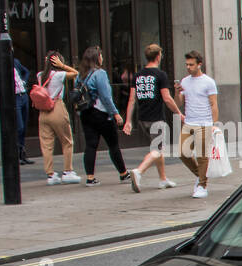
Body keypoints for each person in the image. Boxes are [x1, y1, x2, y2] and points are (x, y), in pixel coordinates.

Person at [122, 43, 182, 190]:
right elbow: (167, 98)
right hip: (156, 119)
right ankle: (139, 171)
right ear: (158, 56)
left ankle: (163, 179)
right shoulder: (160, 75)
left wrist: (128, 121)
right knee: (158, 150)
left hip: (142, 119)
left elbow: (131, 99)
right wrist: (178, 113)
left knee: (157, 148)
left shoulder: (138, 75)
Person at [73, 46, 129, 187]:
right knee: (113, 144)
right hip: (101, 114)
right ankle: (123, 173)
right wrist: (115, 113)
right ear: (97, 58)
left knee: (91, 145)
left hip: (86, 113)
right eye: (101, 55)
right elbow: (105, 97)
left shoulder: (80, 75)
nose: (102, 58)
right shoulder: (100, 73)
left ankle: (90, 177)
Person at [176, 50, 218, 199]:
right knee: (182, 153)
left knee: (202, 156)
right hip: (189, 122)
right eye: (187, 64)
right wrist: (177, 92)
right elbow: (179, 103)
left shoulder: (208, 82)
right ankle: (200, 176)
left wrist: (213, 124)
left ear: (199, 64)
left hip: (204, 122)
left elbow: (214, 104)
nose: (188, 67)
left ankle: (202, 185)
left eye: (191, 64)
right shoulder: (185, 81)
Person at [36, 51, 80, 185]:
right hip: (56, 107)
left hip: (43, 111)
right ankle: (67, 171)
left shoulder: (40, 75)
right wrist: (63, 66)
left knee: (46, 144)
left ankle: (50, 175)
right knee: (67, 141)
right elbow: (76, 74)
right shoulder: (59, 75)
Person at [14, 57, 32, 163]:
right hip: (15, 97)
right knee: (19, 127)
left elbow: (26, 71)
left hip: (23, 95)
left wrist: (24, 81)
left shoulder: (15, 61)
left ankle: (22, 154)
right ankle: (16, 154)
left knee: (24, 126)